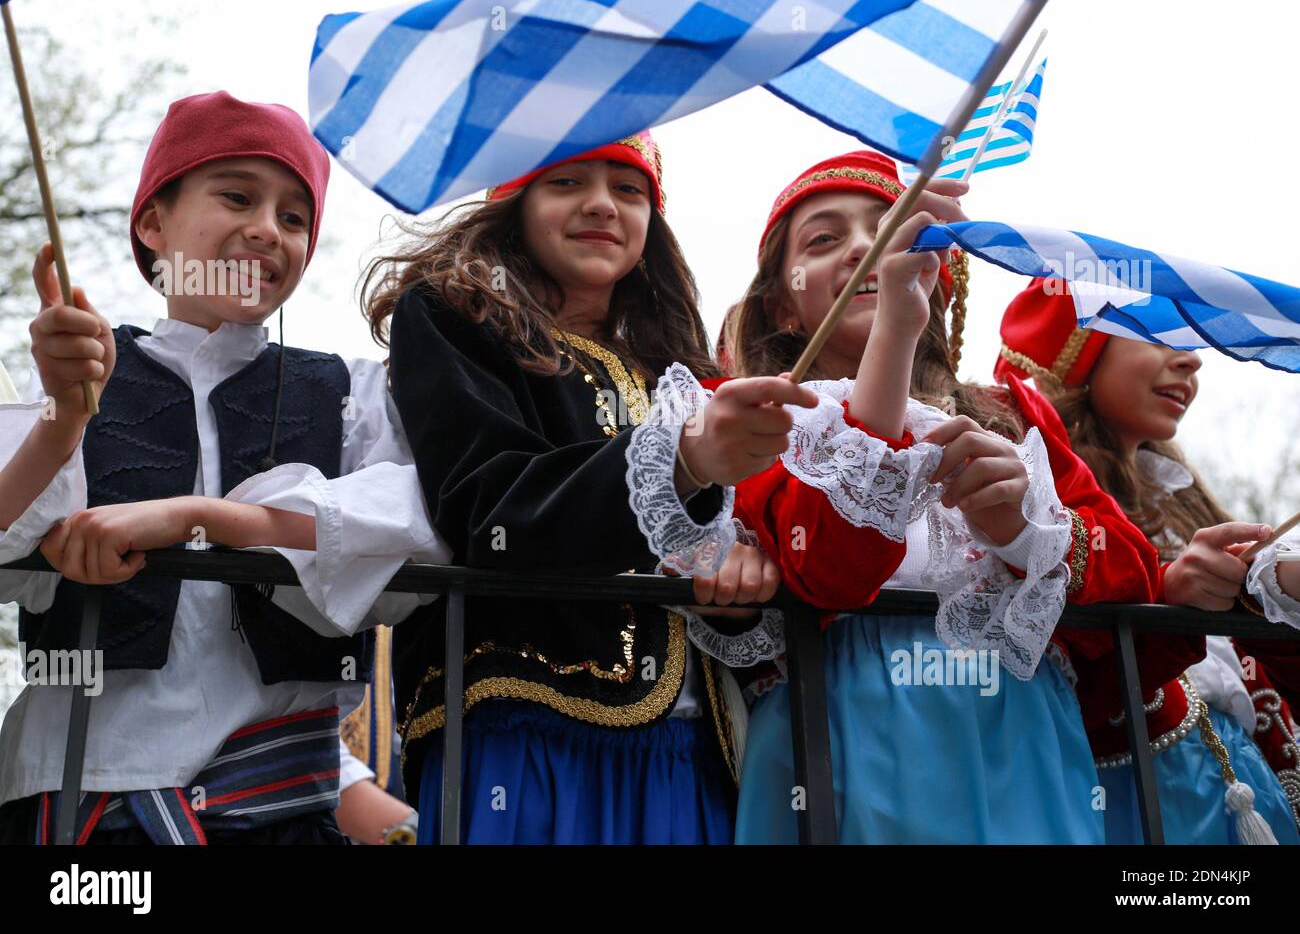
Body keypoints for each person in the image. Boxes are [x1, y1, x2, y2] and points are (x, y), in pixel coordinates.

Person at [0, 91, 446, 844]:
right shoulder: (60, 382)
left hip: (281, 806)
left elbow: (416, 525)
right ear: (152, 223)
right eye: (236, 195)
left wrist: (209, 517)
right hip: (83, 798)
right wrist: (64, 419)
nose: (267, 229)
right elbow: (11, 551)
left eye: (294, 217)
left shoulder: (354, 395)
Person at [364, 130, 816, 843]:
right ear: (514, 201)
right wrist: (683, 460)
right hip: (523, 731)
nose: (603, 205)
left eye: (629, 189)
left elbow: (714, 568)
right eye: (568, 181)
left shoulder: (682, 373)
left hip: (692, 755)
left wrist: (736, 589)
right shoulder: (452, 317)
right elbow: (490, 510)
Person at [713, 150, 1161, 843]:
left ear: (934, 277)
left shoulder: (1014, 413)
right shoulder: (763, 419)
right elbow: (830, 569)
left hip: (1023, 738)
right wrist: (893, 331)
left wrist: (1021, 530)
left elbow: (1135, 576)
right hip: (848, 728)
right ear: (783, 307)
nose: (864, 249)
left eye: (888, 233)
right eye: (824, 240)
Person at [995, 277, 1300, 843]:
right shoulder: (1033, 501)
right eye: (1155, 334)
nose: (1190, 360)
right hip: (1118, 803)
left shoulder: (1187, 507)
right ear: (1074, 348)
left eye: (1186, 339)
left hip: (1230, 789)